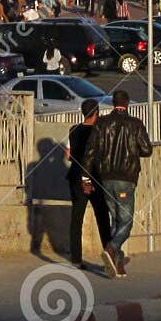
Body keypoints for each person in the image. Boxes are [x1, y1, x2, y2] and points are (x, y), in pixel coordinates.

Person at [78, 89, 152, 278]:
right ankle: (111, 248)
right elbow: (146, 149)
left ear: (113, 103)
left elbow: (90, 152)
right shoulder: (135, 124)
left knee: (115, 220)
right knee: (126, 221)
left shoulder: (101, 123)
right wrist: (132, 147)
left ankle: (116, 265)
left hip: (105, 177)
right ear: (126, 104)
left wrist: (85, 178)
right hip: (126, 178)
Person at [64, 99, 112, 269]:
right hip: (95, 178)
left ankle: (76, 259)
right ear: (97, 113)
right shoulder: (99, 131)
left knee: (76, 219)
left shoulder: (73, 129)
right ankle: (110, 255)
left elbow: (68, 155)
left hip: (75, 177)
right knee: (102, 217)